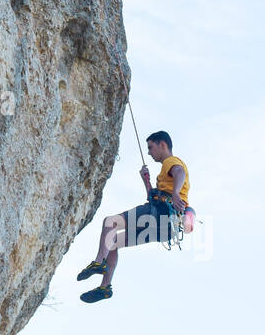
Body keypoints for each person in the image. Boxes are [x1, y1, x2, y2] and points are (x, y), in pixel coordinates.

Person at [77, 130, 190, 303]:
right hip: (167, 229)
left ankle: (99, 262)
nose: (149, 152)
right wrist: (147, 182)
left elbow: (179, 172)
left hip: (159, 213)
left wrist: (175, 194)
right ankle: (104, 288)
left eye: (151, 147)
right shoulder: (165, 170)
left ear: (162, 145)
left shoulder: (171, 161)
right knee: (112, 243)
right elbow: (154, 195)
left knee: (110, 223)